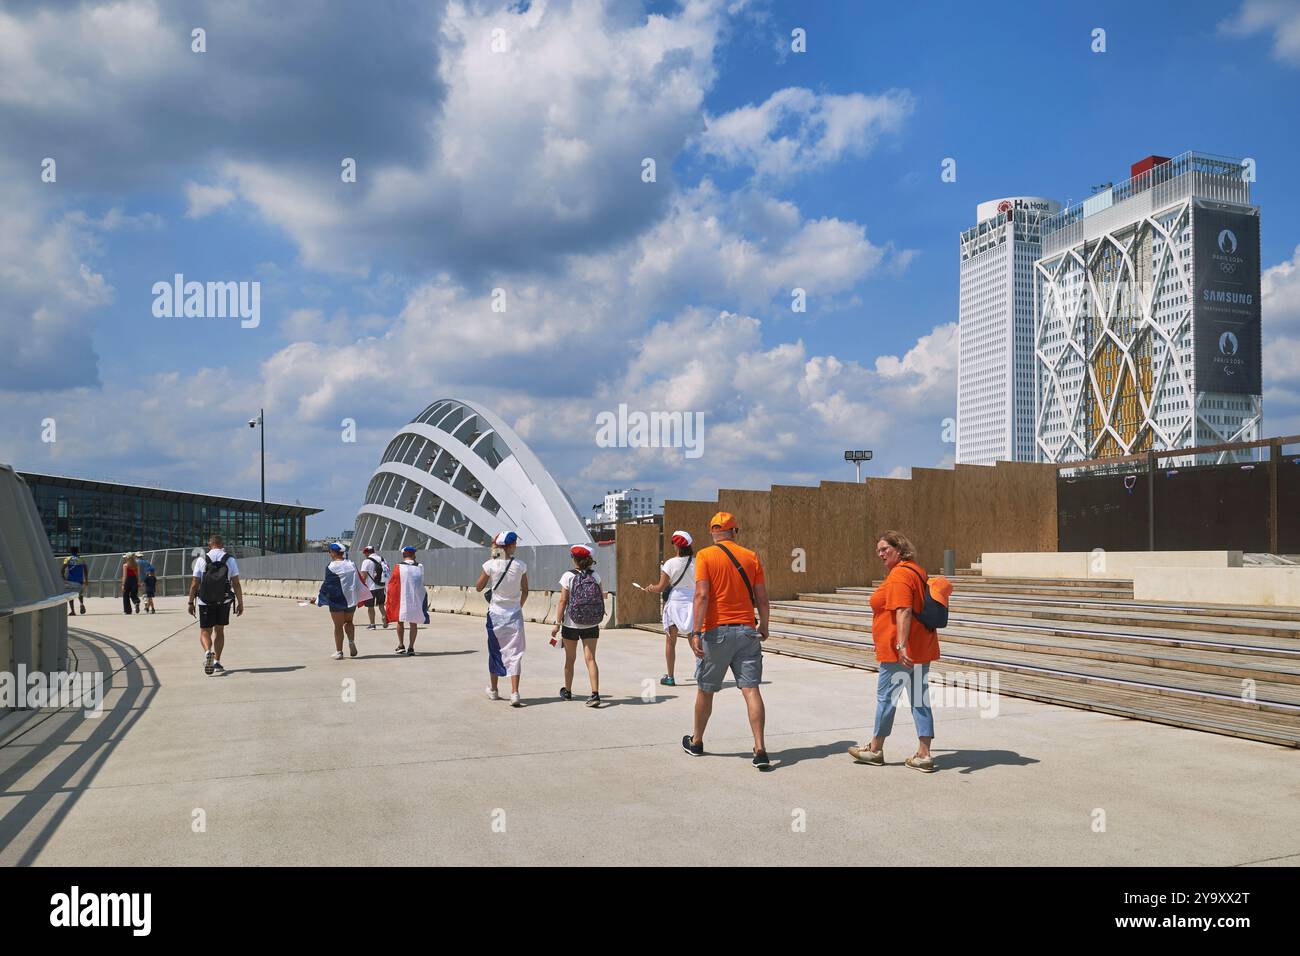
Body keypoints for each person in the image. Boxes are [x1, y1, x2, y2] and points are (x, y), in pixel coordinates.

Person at [683, 512, 771, 769]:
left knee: (706, 689)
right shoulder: (750, 556)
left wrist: (696, 631)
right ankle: (760, 748)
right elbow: (762, 598)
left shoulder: (705, 556)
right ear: (735, 531)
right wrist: (764, 625)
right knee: (751, 689)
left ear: (712, 533)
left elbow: (701, 595)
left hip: (716, 633)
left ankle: (697, 742)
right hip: (746, 630)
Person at [848, 531, 941, 773]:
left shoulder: (900, 575)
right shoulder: (916, 570)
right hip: (921, 647)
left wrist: (901, 646)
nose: (880, 554)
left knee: (886, 699)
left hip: (900, 652)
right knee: (919, 699)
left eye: (884, 549)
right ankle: (924, 754)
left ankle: (875, 749)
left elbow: (904, 611)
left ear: (898, 549)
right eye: (878, 550)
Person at [475, 530, 528, 707]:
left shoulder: (490, 565)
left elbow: (478, 587)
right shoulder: (520, 565)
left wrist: (493, 555)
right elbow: (526, 590)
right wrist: (518, 606)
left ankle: (494, 689)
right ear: (512, 546)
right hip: (514, 614)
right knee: (515, 652)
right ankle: (515, 692)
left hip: (495, 614)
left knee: (495, 650)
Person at [550, 544, 605, 707]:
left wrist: (557, 623)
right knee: (591, 659)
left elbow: (562, 601)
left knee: (570, 659)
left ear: (574, 559)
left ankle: (567, 692)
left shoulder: (568, 576)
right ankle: (595, 694)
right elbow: (600, 597)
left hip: (571, 623)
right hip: (592, 623)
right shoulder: (595, 576)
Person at [643, 530, 694, 686]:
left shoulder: (670, 563)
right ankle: (704, 670)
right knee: (695, 639)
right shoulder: (697, 562)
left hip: (676, 603)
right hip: (692, 603)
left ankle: (670, 676)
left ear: (676, 546)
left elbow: (660, 587)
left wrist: (650, 588)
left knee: (671, 642)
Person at [187, 534, 244, 676]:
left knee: (205, 631)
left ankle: (208, 652)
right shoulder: (230, 559)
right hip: (223, 600)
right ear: (222, 544)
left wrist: (190, 602)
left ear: (209, 545)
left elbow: (195, 584)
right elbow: (236, 583)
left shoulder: (201, 559)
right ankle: (217, 661)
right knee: (219, 631)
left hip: (205, 601)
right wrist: (240, 603)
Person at [310, 543, 370, 659]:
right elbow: (359, 580)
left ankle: (339, 652)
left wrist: (318, 599)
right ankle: (351, 642)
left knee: (338, 626)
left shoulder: (331, 567)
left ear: (333, 553)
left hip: (337, 600)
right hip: (351, 599)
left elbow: (328, 585)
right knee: (349, 622)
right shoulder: (351, 564)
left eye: (330, 551)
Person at [385, 546, 428, 655]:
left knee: (400, 621)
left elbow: (392, 584)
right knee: (413, 622)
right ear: (414, 555)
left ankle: (401, 645)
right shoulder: (420, 566)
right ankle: (411, 647)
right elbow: (421, 582)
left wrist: (389, 599)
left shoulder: (397, 567)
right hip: (414, 599)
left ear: (403, 555)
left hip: (401, 599)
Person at [358, 545, 389, 630]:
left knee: (370, 607)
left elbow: (363, 576)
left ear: (367, 552)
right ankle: (384, 617)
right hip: (381, 586)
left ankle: (372, 624)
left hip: (371, 587)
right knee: (381, 605)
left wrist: (360, 587)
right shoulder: (382, 559)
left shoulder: (366, 561)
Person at [62, 548, 88, 616]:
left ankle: (73, 611)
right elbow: (85, 570)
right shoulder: (81, 560)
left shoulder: (68, 559)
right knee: (80, 594)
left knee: (70, 596)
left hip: (70, 580)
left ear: (71, 551)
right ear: (78, 551)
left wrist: (63, 578)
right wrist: (86, 579)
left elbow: (62, 569)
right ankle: (81, 604)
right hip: (80, 580)